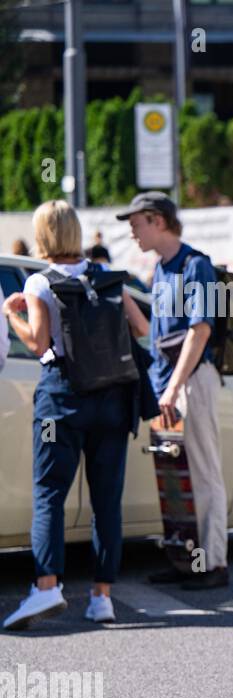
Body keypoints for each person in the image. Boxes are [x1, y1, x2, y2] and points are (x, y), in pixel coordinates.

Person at [1, 201, 148, 630]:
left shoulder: (39, 283)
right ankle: (102, 596)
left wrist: (13, 314)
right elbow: (140, 327)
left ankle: (47, 586)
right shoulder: (106, 278)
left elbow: (39, 342)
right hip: (113, 403)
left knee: (49, 490)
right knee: (107, 499)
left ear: (43, 235)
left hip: (60, 404)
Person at [117, 192, 230, 590]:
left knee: (202, 473)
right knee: (173, 477)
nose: (132, 231)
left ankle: (213, 563)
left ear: (157, 220)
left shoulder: (196, 266)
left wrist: (174, 387)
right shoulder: (161, 271)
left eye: (136, 222)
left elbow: (200, 332)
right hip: (169, 386)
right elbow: (155, 334)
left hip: (192, 381)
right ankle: (185, 561)